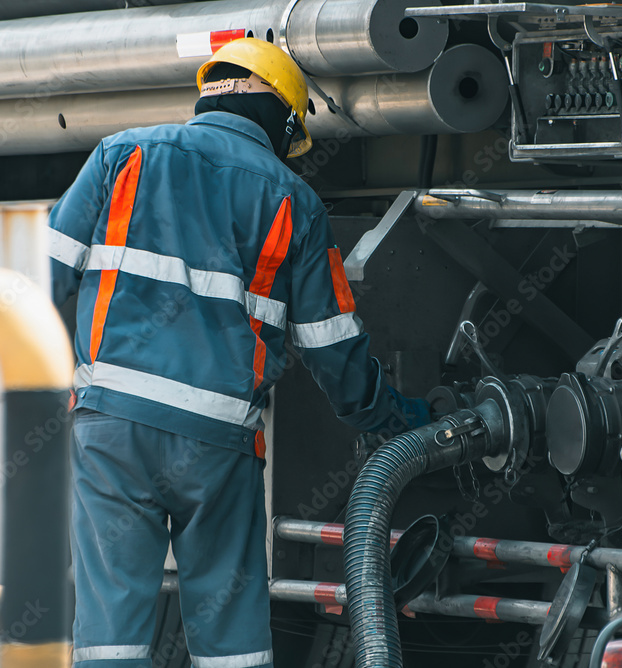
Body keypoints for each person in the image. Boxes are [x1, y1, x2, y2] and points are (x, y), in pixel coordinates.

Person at [48, 38, 431, 668]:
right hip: (217, 447)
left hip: (113, 431)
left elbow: (41, 279)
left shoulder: (125, 154)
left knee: (110, 627)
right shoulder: (293, 201)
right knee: (229, 634)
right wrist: (398, 421)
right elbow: (331, 348)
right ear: (283, 120)